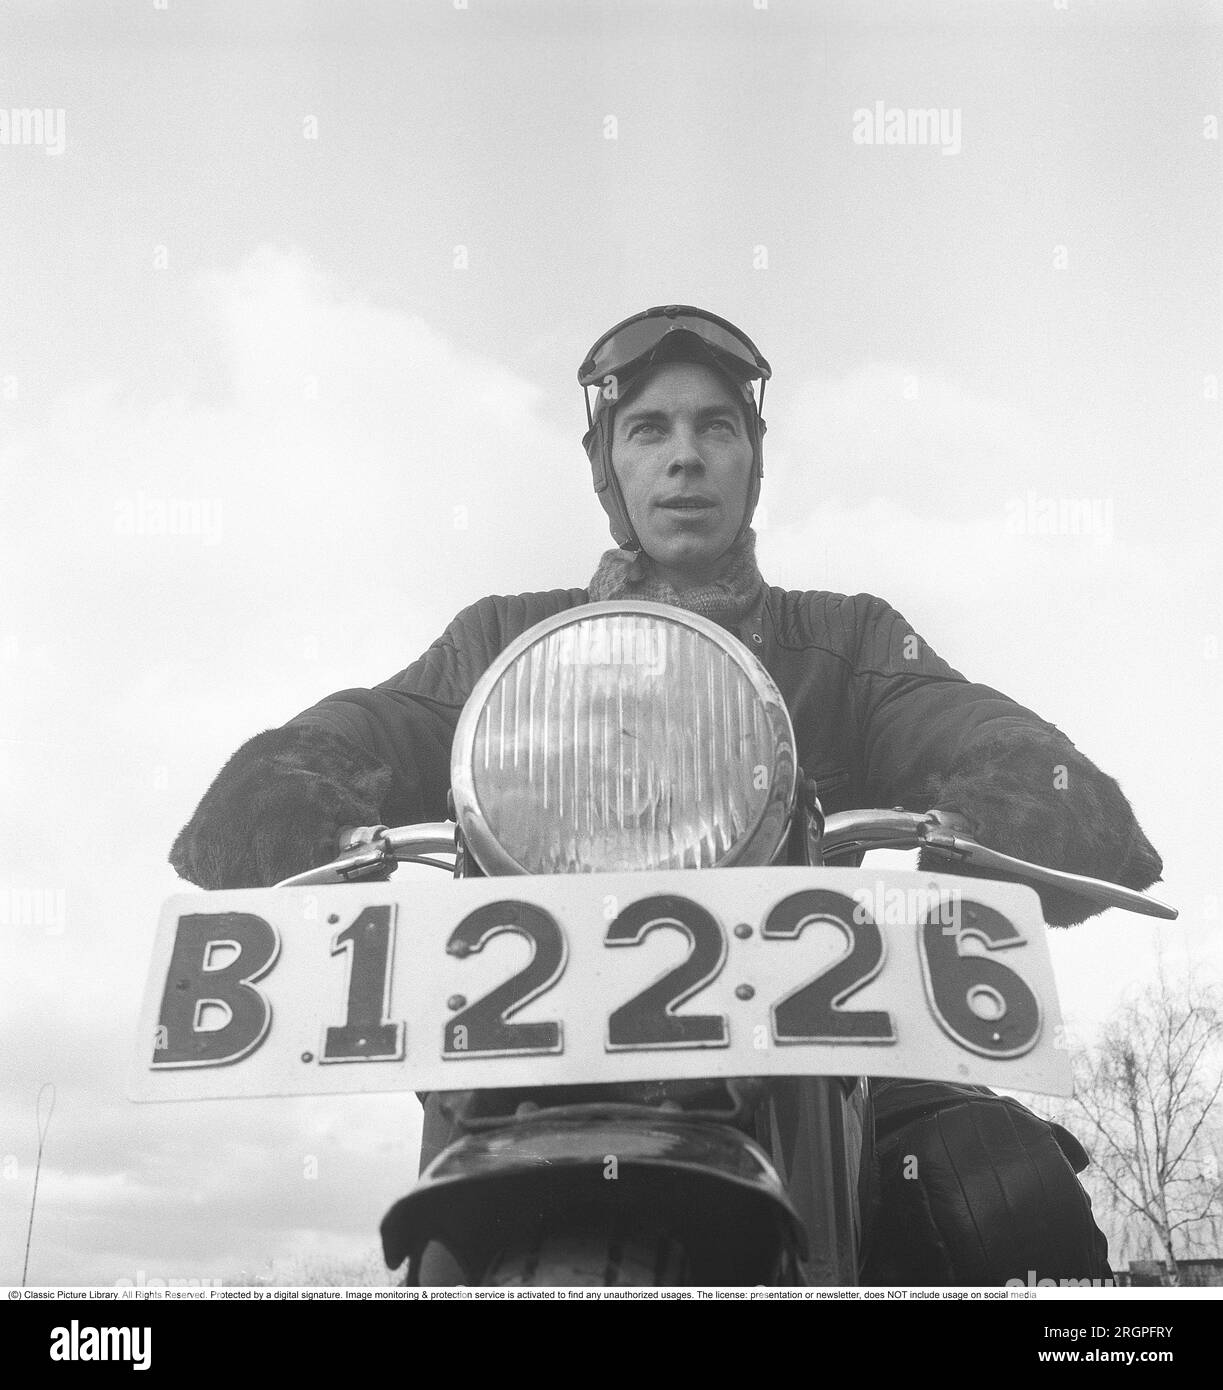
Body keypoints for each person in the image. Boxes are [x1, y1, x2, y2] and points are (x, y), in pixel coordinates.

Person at [170, 304, 1162, 1285]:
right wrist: (293, 791)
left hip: (826, 1045)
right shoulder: (502, 643)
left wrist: (1021, 795)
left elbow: (969, 724)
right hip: (536, 1057)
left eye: (713, 427)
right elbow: (375, 722)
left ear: (749, 461)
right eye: (648, 430)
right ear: (610, 468)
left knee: (995, 1190)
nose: (682, 456)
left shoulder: (849, 639)